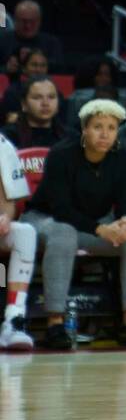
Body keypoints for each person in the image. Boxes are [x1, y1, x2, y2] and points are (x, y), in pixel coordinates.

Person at [24, 99, 126, 350]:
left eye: (111, 128)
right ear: (84, 129)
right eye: (97, 127)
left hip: (93, 224)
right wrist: (101, 229)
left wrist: (125, 221)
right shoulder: (61, 155)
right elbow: (61, 209)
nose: (105, 134)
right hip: (46, 219)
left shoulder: (124, 158)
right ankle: (55, 323)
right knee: (63, 234)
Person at [0, 130, 37, 350]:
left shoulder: (2, 144)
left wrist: (5, 217)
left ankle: (14, 320)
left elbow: (9, 199)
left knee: (25, 232)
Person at [3, 77, 69, 149]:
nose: (45, 103)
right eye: (37, 97)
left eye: (51, 97)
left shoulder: (71, 138)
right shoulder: (6, 138)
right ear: (24, 104)